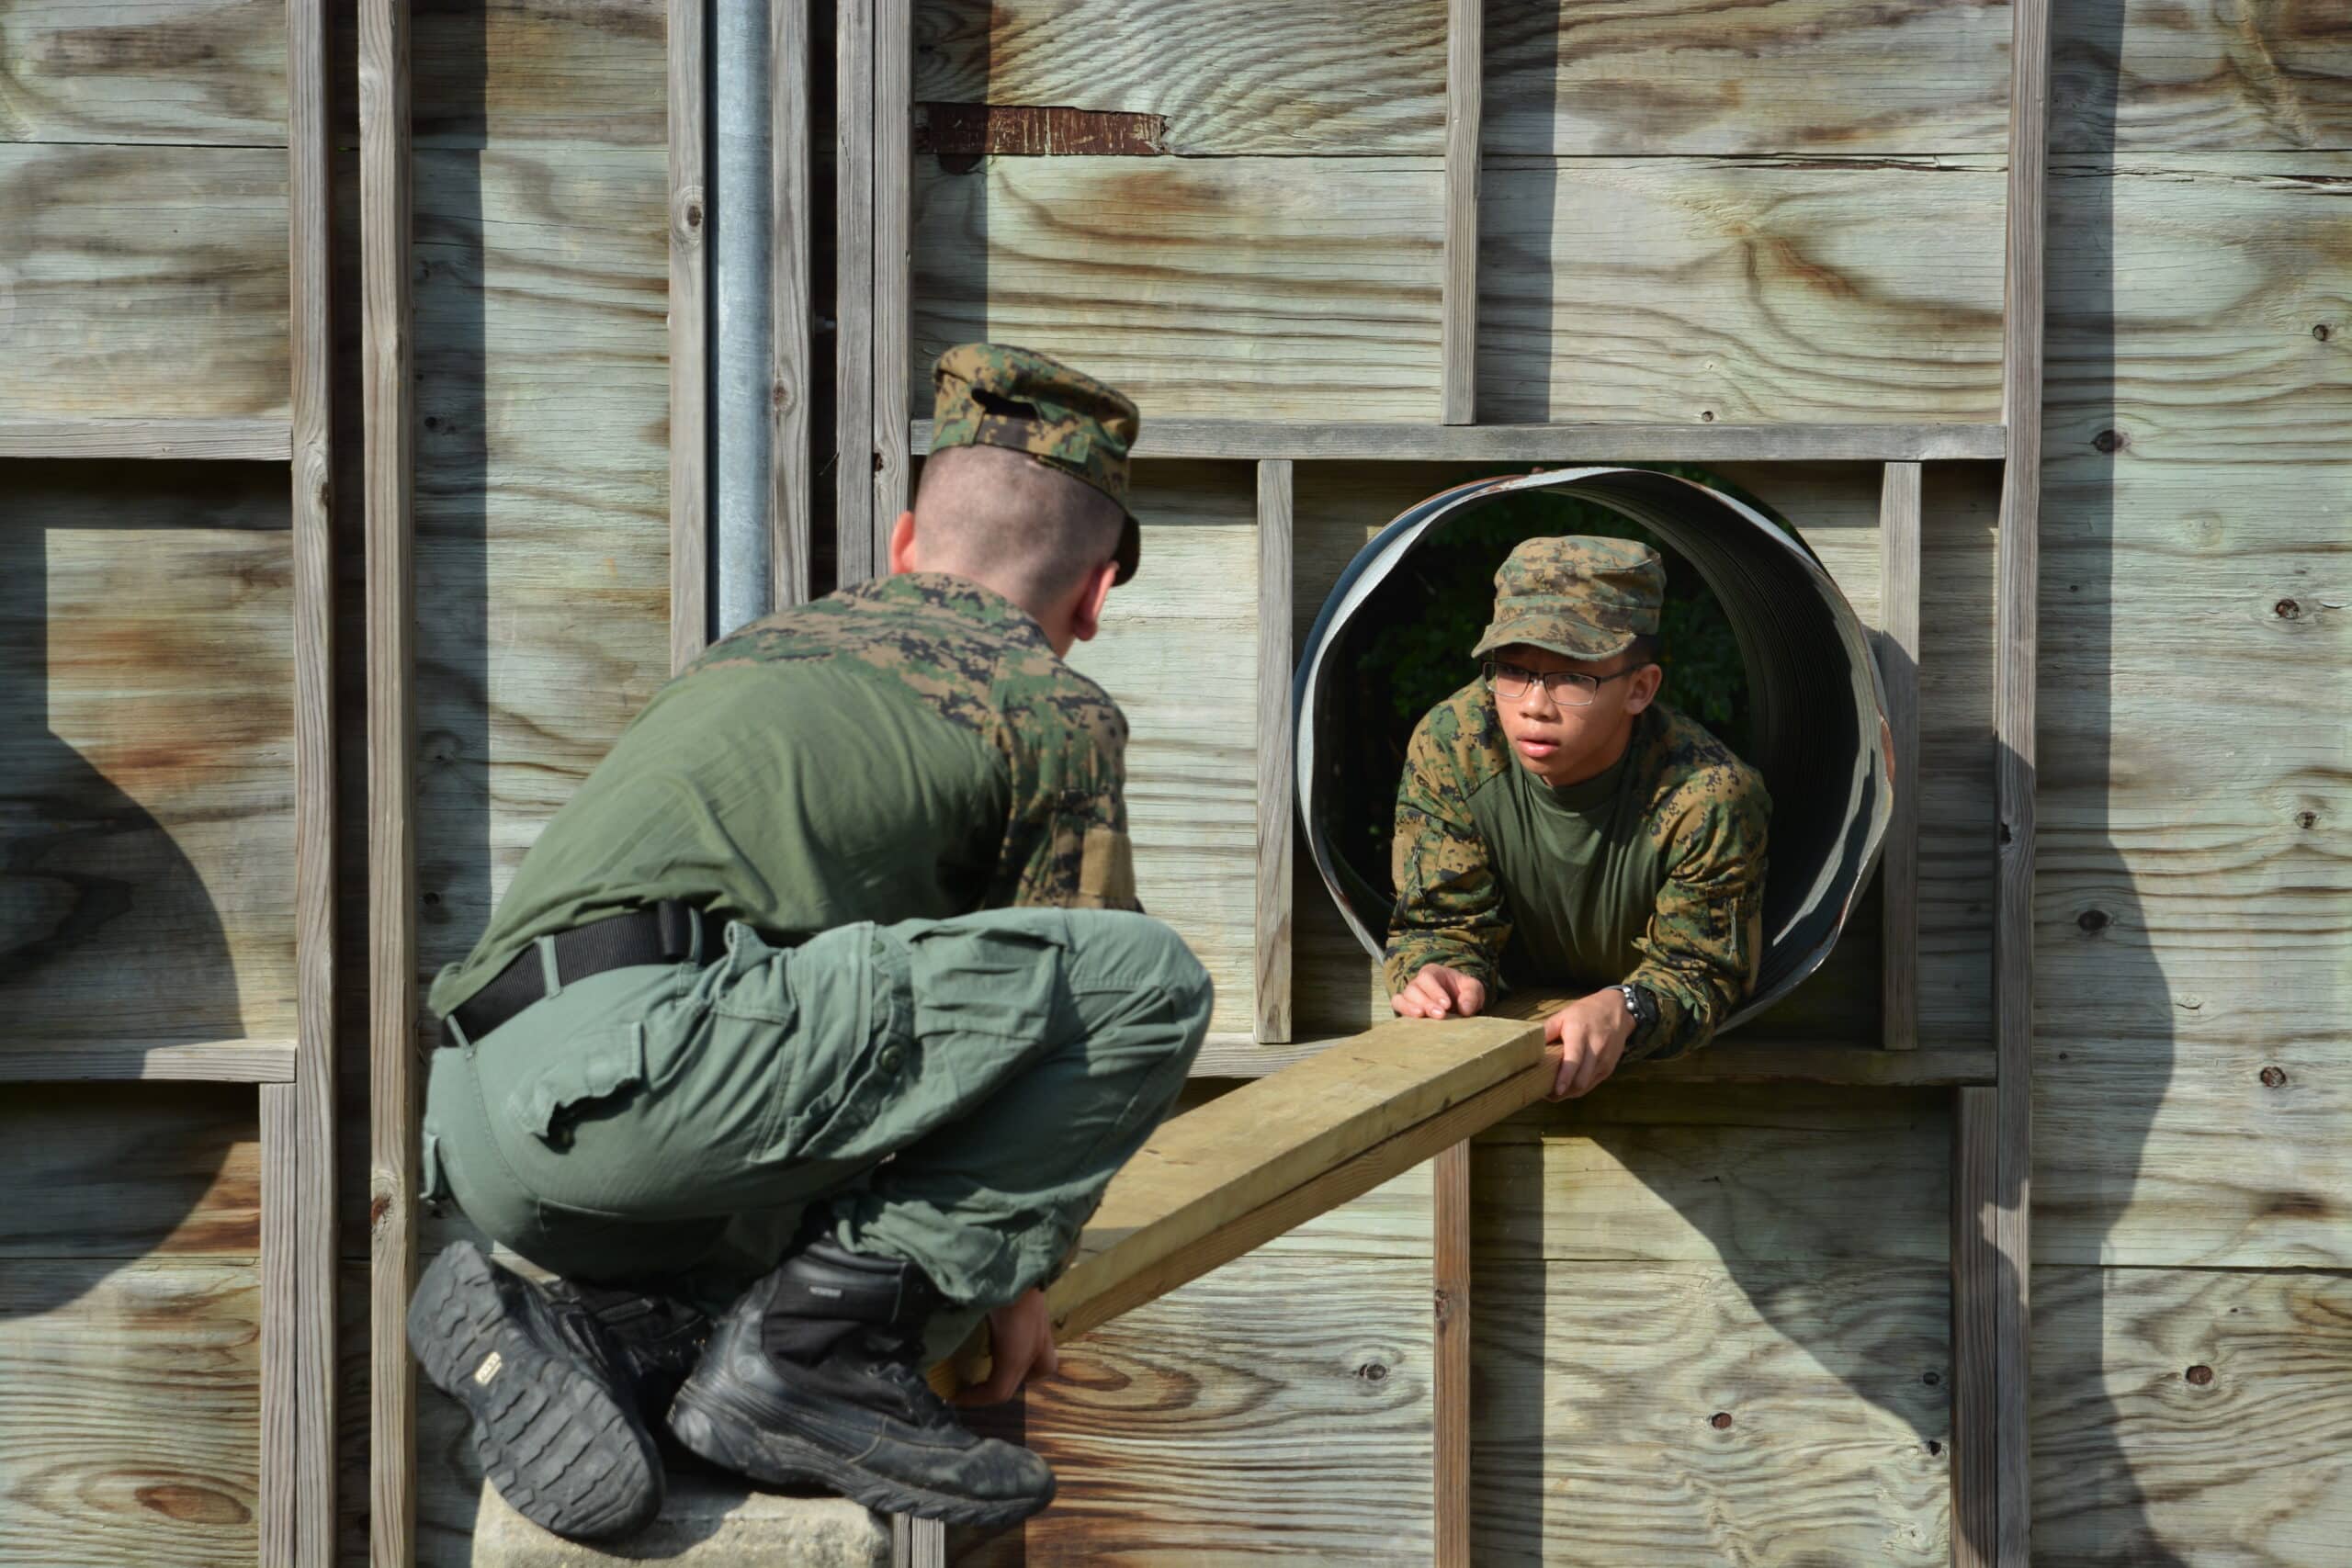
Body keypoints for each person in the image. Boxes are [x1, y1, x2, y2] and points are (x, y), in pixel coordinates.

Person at [404, 344, 1214, 1542]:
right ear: (1094, 596)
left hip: (485, 1120)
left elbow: (882, 1057)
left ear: (900, 544)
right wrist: (1014, 1267)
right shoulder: (1049, 706)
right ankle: (818, 1354)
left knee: (835, 1185)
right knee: (1152, 983)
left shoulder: (761, 650)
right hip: (653, 1078)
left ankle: (608, 1336)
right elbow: (1082, 1004)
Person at [1385, 536, 1770, 1099]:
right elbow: (1440, 923)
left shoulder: (1707, 796)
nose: (1533, 705)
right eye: (1512, 670)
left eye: (1572, 677)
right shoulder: (1457, 745)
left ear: (1639, 688)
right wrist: (1444, 975)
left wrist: (1629, 1007)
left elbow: (1706, 969)